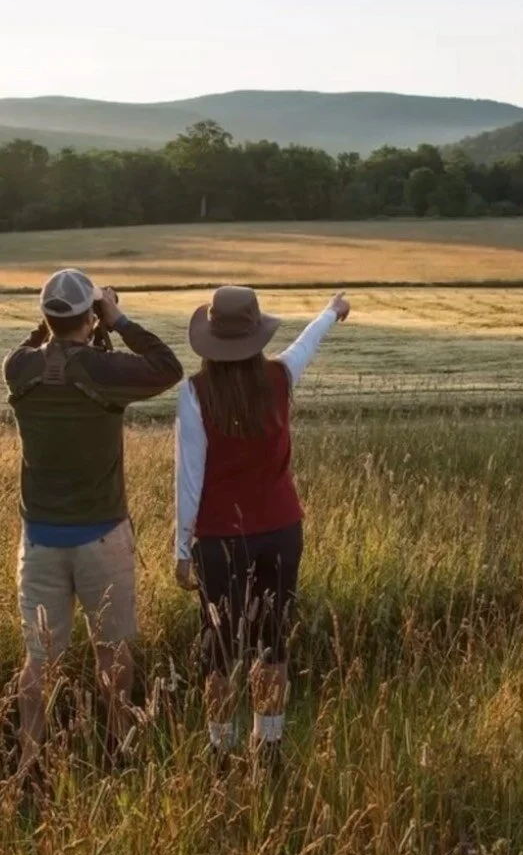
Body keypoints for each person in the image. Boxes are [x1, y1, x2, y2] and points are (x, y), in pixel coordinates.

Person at [3, 268, 183, 774]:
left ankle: (30, 763)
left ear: (45, 316)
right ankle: (120, 748)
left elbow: (37, 347)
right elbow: (166, 366)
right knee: (112, 653)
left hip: (38, 539)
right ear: (89, 316)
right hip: (102, 534)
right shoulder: (103, 371)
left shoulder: (17, 369)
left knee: (40, 660)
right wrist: (117, 316)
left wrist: (52, 330)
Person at [175, 285, 350, 760]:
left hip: (217, 540)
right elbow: (306, 344)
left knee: (218, 652)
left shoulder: (195, 393)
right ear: (255, 336)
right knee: (271, 644)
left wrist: (181, 551)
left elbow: (189, 477)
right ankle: (268, 744)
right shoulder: (279, 376)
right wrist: (332, 311)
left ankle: (219, 750)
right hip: (280, 533)